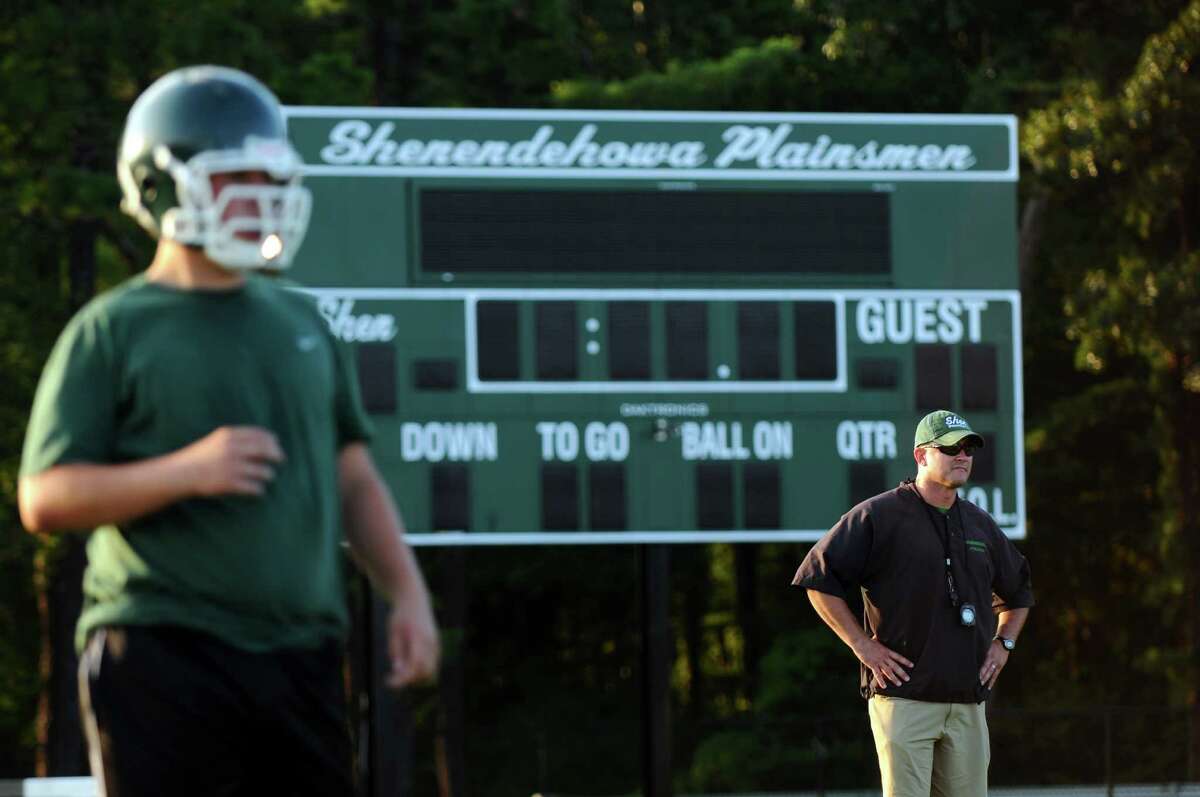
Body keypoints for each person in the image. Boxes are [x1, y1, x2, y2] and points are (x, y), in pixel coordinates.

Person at [18, 65, 439, 797]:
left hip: (298, 651)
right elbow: (45, 498)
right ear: (162, 183)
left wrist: (407, 594)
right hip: (162, 648)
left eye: (270, 180)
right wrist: (186, 471)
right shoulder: (112, 330)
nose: (261, 200)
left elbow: (354, 477)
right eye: (234, 178)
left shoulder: (304, 321)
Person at [792, 410, 1033, 797]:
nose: (963, 455)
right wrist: (862, 645)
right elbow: (818, 579)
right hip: (903, 698)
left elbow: (1019, 593)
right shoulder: (880, 514)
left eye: (968, 448)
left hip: (967, 701)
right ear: (921, 456)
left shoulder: (979, 523)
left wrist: (1003, 644)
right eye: (951, 447)